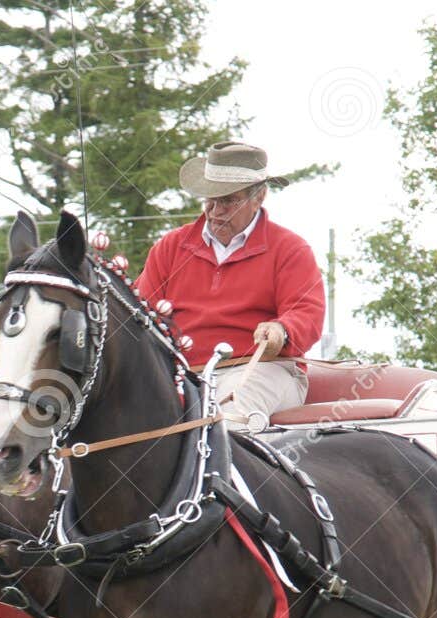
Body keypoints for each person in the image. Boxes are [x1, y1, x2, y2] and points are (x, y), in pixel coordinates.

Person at [132, 141, 326, 431]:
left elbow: (307, 315)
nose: (215, 210)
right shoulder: (170, 247)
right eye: (210, 199)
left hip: (265, 370)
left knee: (228, 410)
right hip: (181, 375)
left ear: (259, 197)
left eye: (228, 200)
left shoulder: (289, 249)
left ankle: (220, 478)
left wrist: (281, 330)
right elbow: (139, 314)